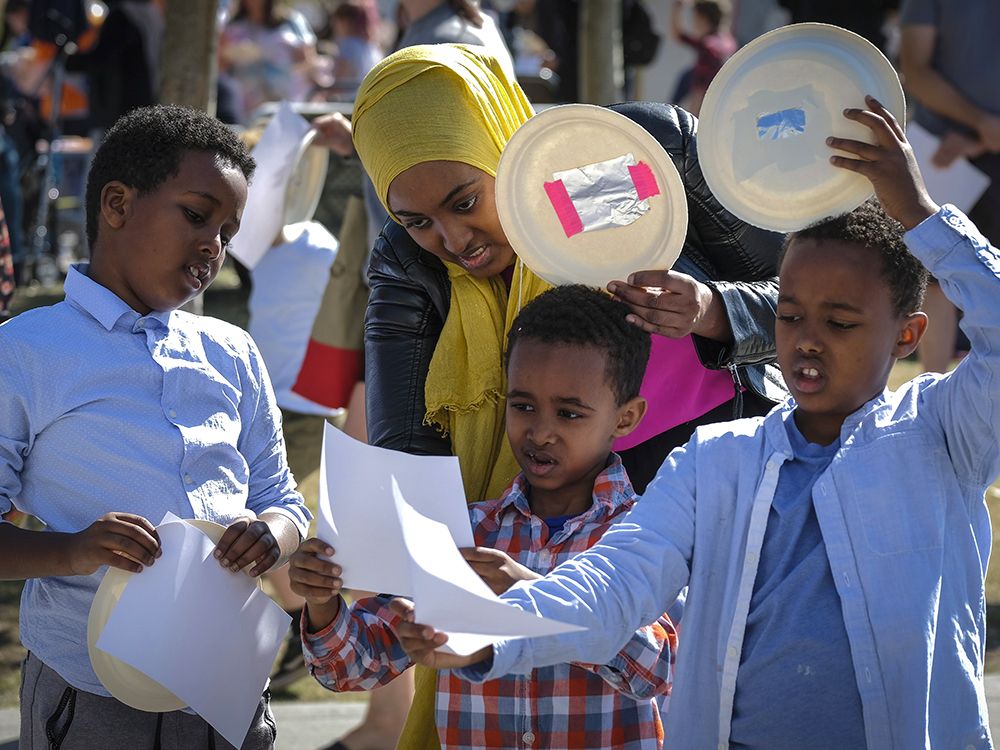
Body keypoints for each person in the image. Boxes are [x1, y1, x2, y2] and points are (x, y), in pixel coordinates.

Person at [394, 96, 999, 748]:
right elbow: (616, 584)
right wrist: (499, 621)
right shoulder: (716, 461)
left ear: (908, 334)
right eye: (790, 315)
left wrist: (921, 216)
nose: (807, 341)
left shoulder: (941, 433)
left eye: (841, 322)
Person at [345, 42, 785, 750]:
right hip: (540, 554)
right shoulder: (406, 265)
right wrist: (460, 580)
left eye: (465, 202)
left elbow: (816, 301)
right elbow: (406, 449)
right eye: (416, 219)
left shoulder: (599, 175)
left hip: (717, 530)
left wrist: (714, 309)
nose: (453, 241)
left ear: (502, 145)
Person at [0, 104, 311, 750]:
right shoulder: (26, 351)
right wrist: (73, 550)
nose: (214, 246)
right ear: (116, 204)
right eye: (197, 215)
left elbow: (285, 502)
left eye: (227, 230)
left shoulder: (232, 351)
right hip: (89, 699)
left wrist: (270, 536)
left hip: (228, 690)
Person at [290, 284, 677, 749]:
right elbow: (352, 667)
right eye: (523, 405)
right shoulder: (467, 531)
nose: (540, 431)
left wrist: (532, 596)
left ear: (626, 418)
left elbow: (662, 670)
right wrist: (323, 601)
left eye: (570, 414)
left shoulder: (646, 534)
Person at [899, 0, 1000, 373]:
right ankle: (934, 391)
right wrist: (980, 125)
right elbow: (915, 69)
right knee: (935, 276)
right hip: (943, 155)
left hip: (962, 149)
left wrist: (982, 135)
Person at [220, 0, 319, 124]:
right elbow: (219, 65)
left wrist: (275, 61)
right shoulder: (232, 25)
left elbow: (309, 61)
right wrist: (232, 54)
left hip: (287, 103)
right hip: (245, 109)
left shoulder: (291, 21)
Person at [669, 0, 737, 115]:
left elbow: (679, 35)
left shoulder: (708, 45)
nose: (693, 24)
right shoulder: (728, 42)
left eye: (695, 19)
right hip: (726, 97)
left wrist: (677, 8)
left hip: (708, 99)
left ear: (703, 19)